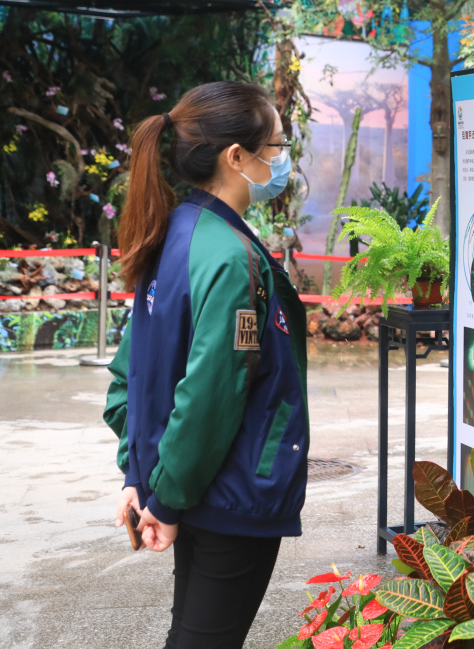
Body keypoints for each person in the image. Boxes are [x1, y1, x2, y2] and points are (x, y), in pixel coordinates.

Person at [103, 81, 309, 649]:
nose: (283, 159)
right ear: (236, 157)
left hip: (187, 485)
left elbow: (131, 378)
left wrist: (139, 475)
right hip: (228, 490)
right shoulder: (228, 255)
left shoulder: (170, 233)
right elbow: (211, 394)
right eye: (276, 145)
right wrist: (163, 496)